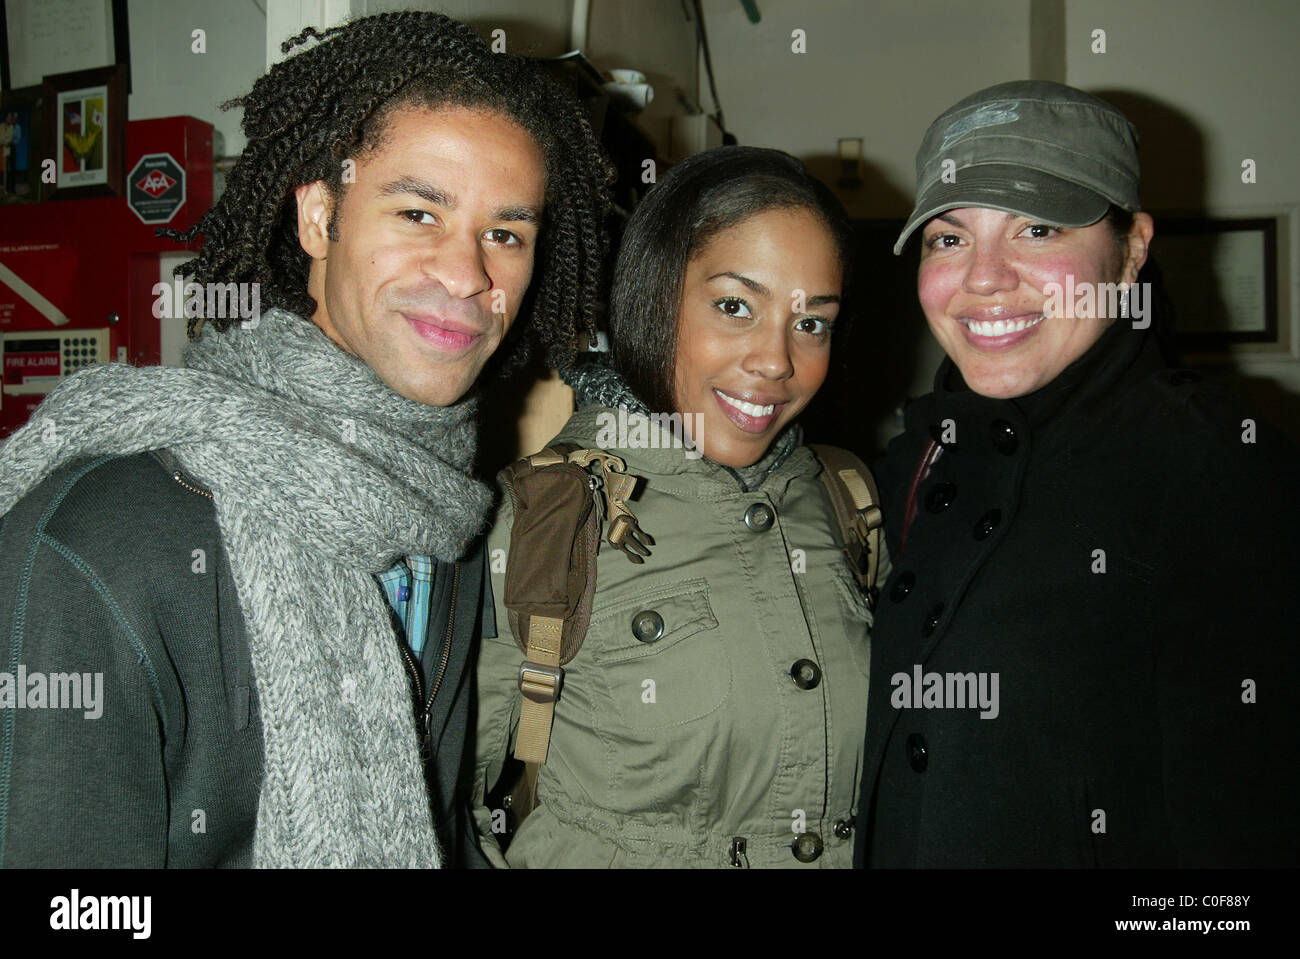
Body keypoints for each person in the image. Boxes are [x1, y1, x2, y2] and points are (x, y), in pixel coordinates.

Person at [0, 11, 610, 868]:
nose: (469, 275)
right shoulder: (98, 541)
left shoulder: (451, 514)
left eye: (504, 233)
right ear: (319, 219)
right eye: (418, 213)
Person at [855, 80, 1299, 867]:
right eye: (948, 238)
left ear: (1131, 251)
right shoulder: (907, 465)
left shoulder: (1219, 464)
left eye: (1037, 226)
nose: (984, 277)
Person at [472, 146, 882, 868]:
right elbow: (450, 818)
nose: (777, 361)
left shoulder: (847, 499)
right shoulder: (534, 519)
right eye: (734, 306)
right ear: (654, 298)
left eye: (811, 321)